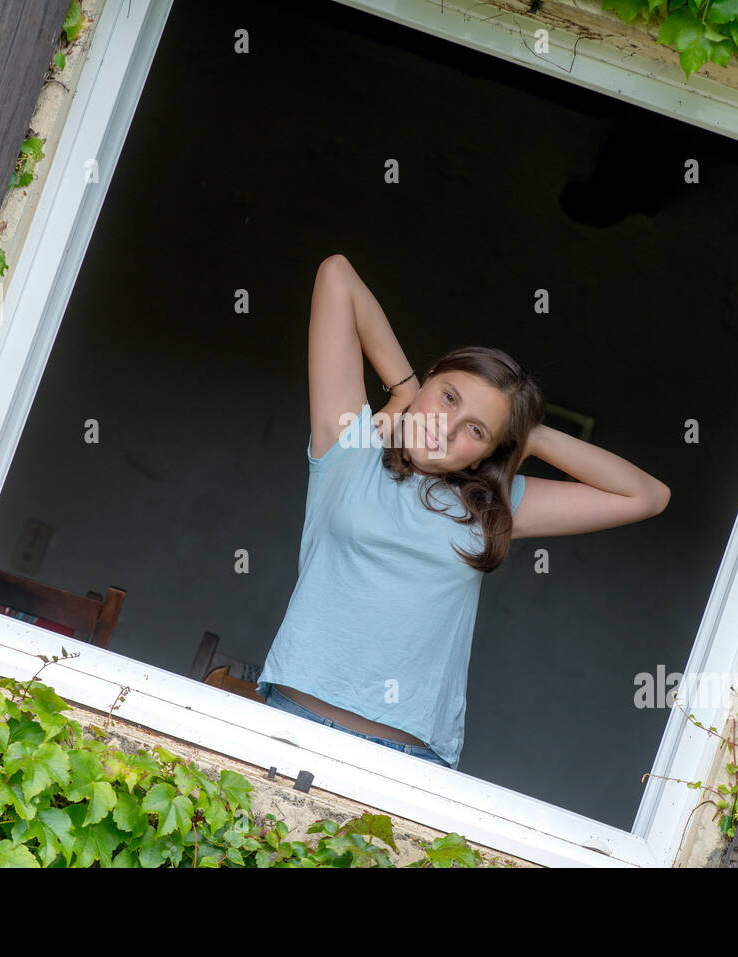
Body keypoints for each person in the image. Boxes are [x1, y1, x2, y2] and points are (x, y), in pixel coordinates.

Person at [257, 254, 671, 769]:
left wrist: (532, 435)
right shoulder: (352, 444)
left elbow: (646, 496)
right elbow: (337, 274)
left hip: (409, 757)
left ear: (487, 452)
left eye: (477, 430)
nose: (447, 428)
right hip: (290, 723)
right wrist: (402, 387)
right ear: (431, 379)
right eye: (447, 397)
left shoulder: (493, 508)